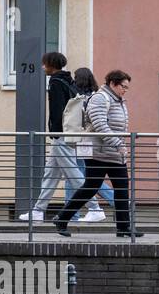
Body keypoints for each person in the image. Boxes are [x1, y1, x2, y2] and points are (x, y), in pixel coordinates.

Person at [50, 69, 142, 238]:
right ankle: (62, 218)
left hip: (112, 153)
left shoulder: (118, 100)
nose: (125, 90)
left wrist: (117, 147)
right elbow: (100, 125)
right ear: (113, 83)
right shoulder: (100, 98)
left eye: (127, 88)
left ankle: (124, 227)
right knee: (90, 187)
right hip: (98, 153)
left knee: (121, 188)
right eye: (123, 86)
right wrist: (118, 145)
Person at [18, 52, 107, 224]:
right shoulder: (68, 81)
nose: (43, 67)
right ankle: (38, 210)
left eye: (45, 64)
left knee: (74, 174)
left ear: (51, 64)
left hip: (61, 136)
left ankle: (95, 208)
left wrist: (56, 133)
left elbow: (58, 111)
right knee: (50, 174)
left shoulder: (56, 82)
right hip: (67, 134)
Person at [72, 67, 116, 213]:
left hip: (81, 139)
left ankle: (75, 214)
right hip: (92, 141)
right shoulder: (96, 95)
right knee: (79, 174)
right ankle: (116, 201)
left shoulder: (76, 96)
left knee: (76, 175)